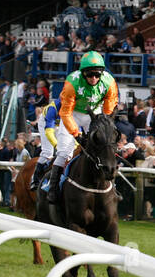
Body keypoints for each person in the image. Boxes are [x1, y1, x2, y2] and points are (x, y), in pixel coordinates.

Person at [46, 51, 119, 202]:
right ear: (83, 73)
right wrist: (77, 135)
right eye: (90, 75)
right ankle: (52, 188)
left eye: (97, 75)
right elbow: (65, 113)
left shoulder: (109, 82)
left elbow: (108, 109)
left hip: (94, 114)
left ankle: (113, 187)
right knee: (64, 152)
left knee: (104, 148)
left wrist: (103, 125)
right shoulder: (72, 83)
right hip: (72, 114)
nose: (94, 78)